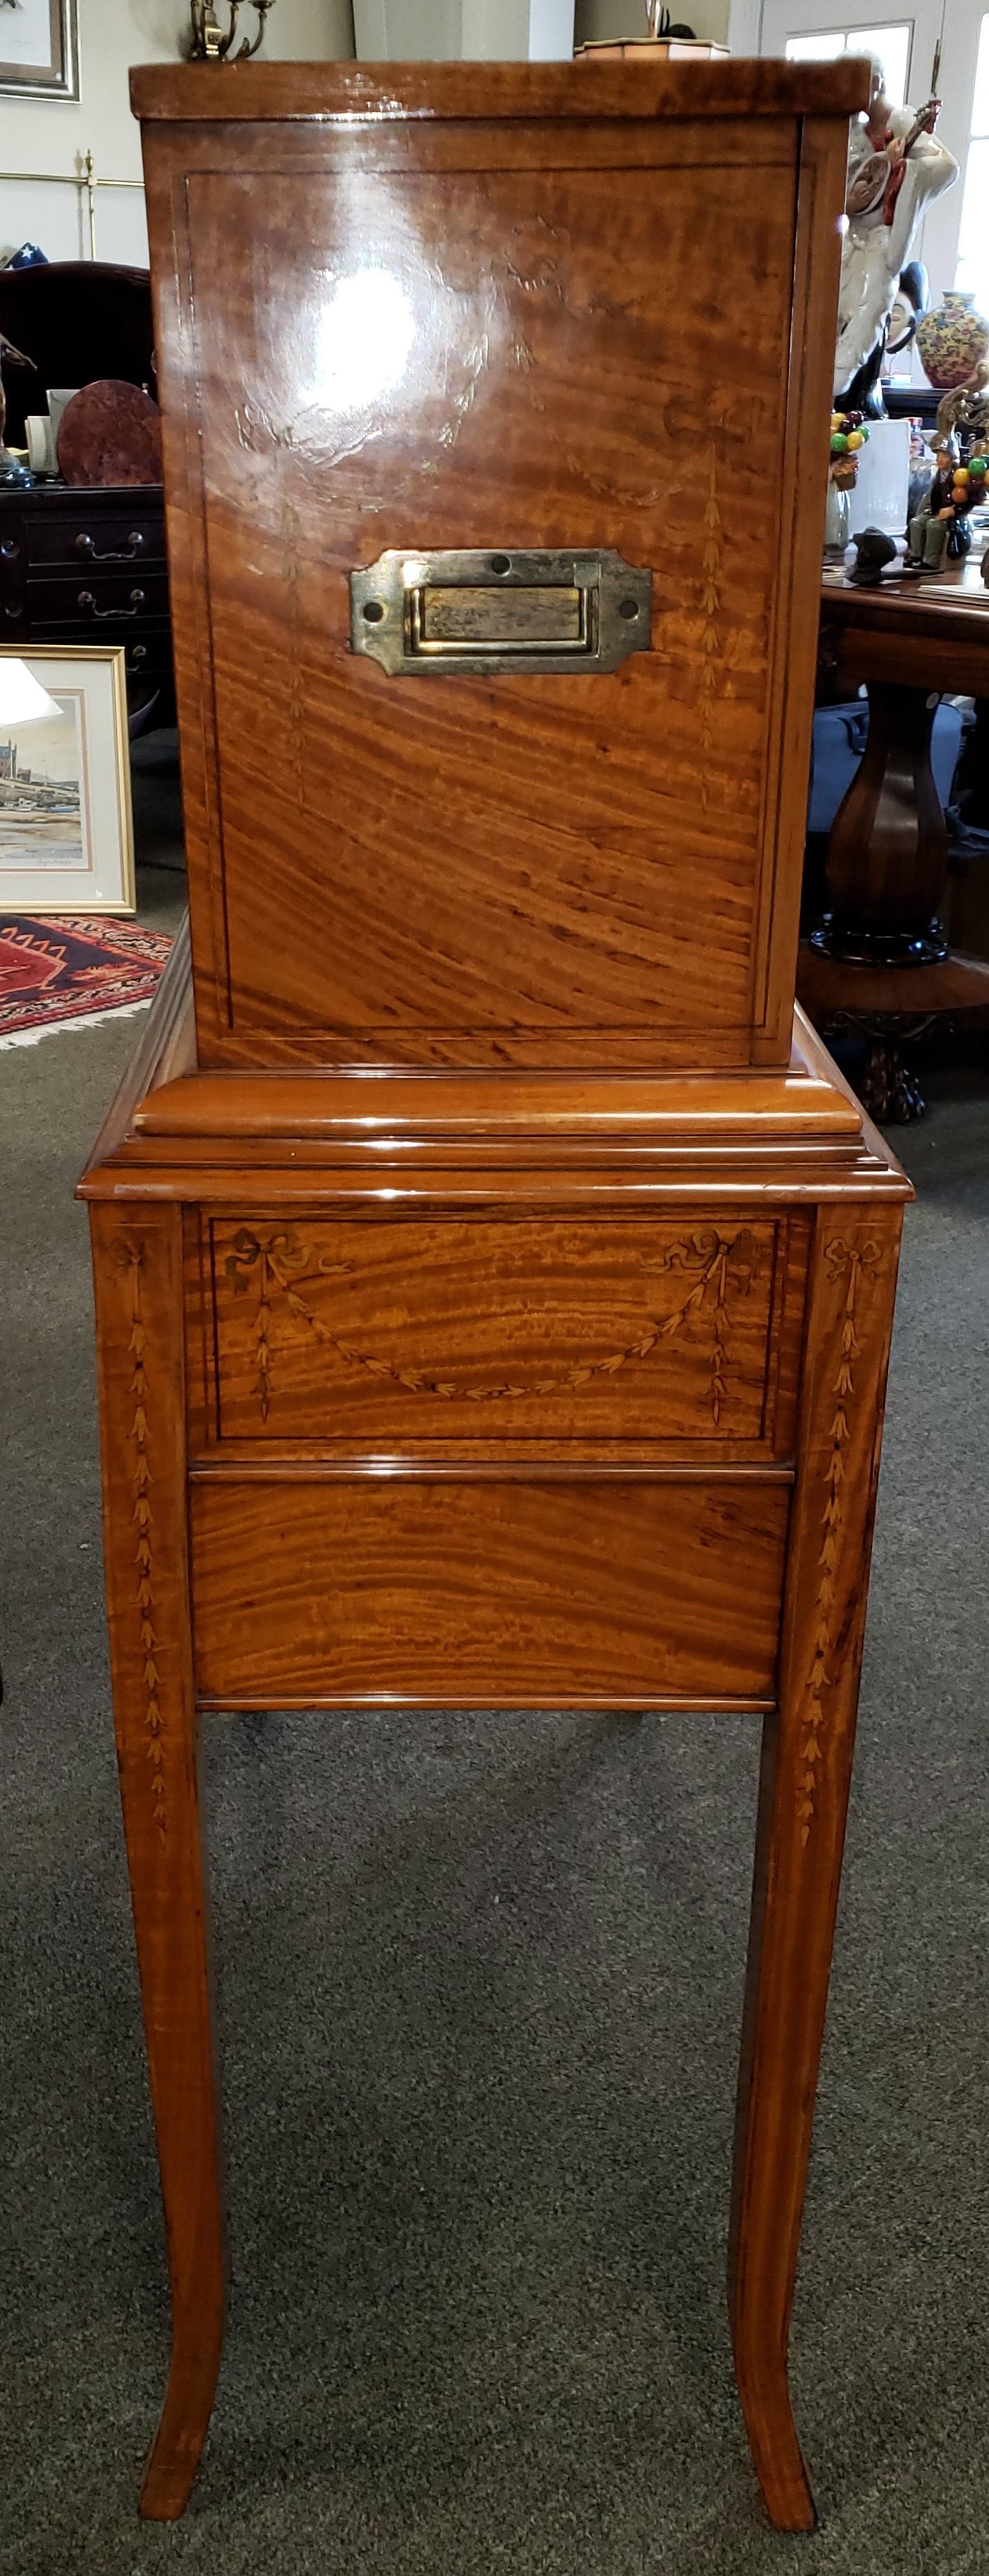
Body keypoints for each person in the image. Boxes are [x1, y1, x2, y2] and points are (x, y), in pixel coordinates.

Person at [835, 53, 956, 407]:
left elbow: (946, 167)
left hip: (883, 236)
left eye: (857, 83)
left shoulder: (902, 120)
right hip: (852, 236)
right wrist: (848, 202)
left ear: (876, 82)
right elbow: (837, 188)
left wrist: (906, 168)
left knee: (874, 305)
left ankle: (839, 386)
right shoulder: (851, 131)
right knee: (838, 304)